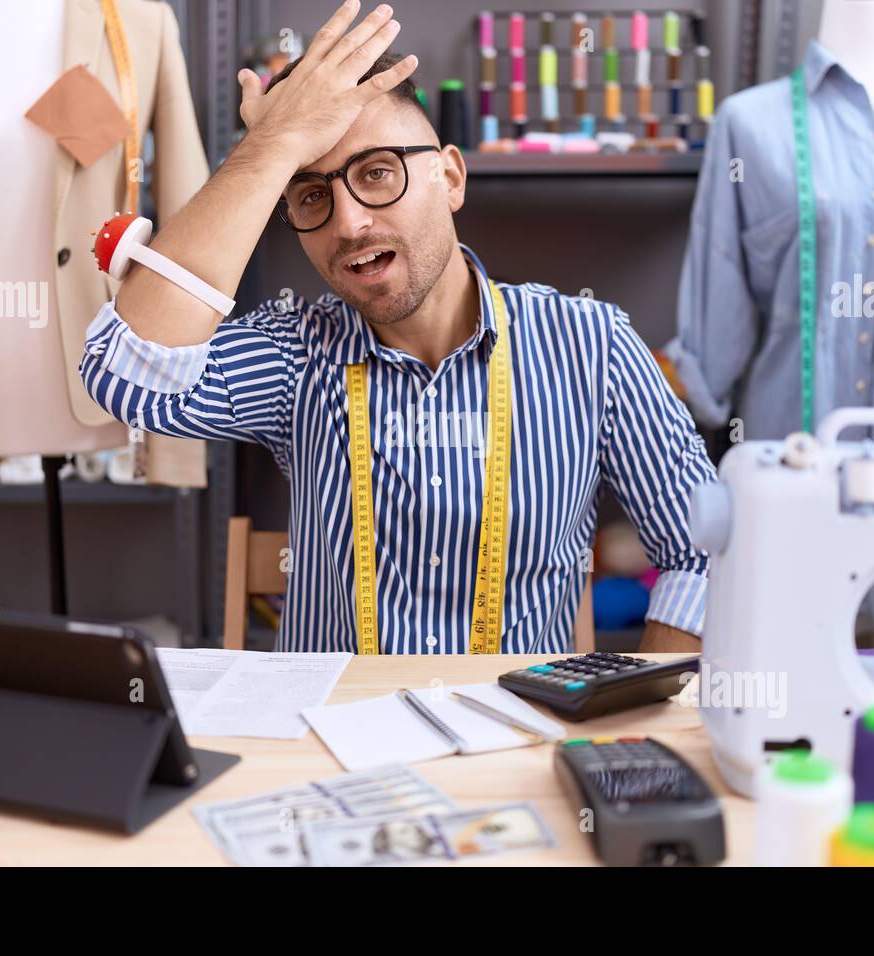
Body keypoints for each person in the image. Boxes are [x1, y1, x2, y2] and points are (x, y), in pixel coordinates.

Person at [81, 0, 715, 654]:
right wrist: (269, 149)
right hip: (332, 745)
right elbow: (125, 373)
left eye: (378, 172)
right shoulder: (294, 350)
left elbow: (706, 550)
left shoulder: (592, 347)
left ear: (450, 177)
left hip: (516, 745)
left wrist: (625, 719)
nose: (349, 222)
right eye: (310, 195)